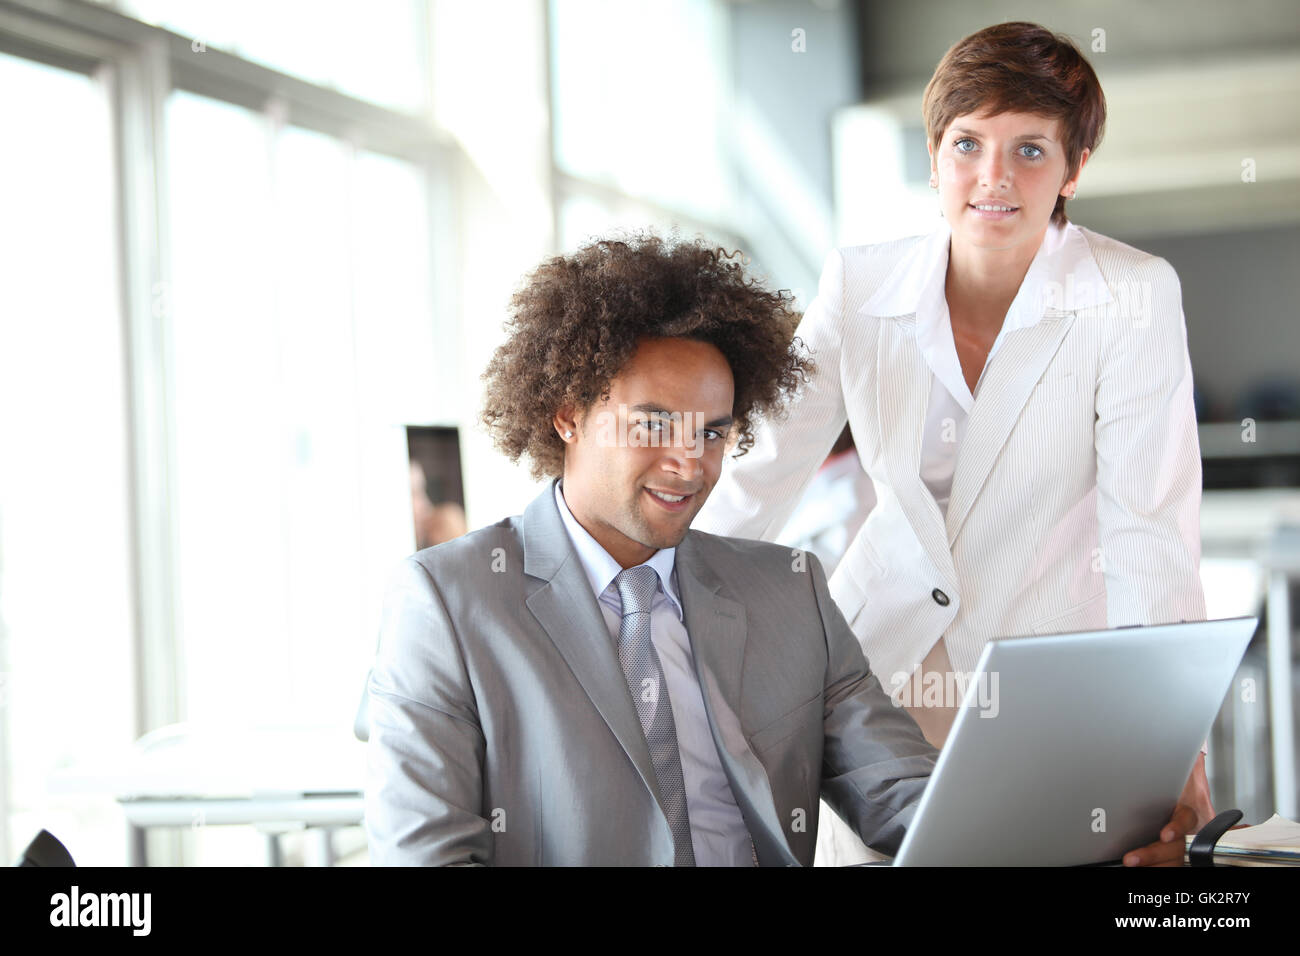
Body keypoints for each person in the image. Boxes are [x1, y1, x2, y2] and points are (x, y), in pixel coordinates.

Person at [693, 21, 1210, 867]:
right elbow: (760, 474)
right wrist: (655, 621)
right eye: (967, 144)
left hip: (1042, 671)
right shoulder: (861, 286)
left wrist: (1168, 746)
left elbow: (1147, 530)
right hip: (874, 670)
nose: (993, 178)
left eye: (1031, 150)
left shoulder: (1133, 296)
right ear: (934, 156)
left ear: (1074, 169)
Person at [364, 233, 941, 865]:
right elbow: (426, 855)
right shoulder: (447, 601)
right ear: (567, 414)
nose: (689, 463)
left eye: (712, 433)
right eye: (655, 424)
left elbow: (909, 799)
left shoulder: (789, 589)